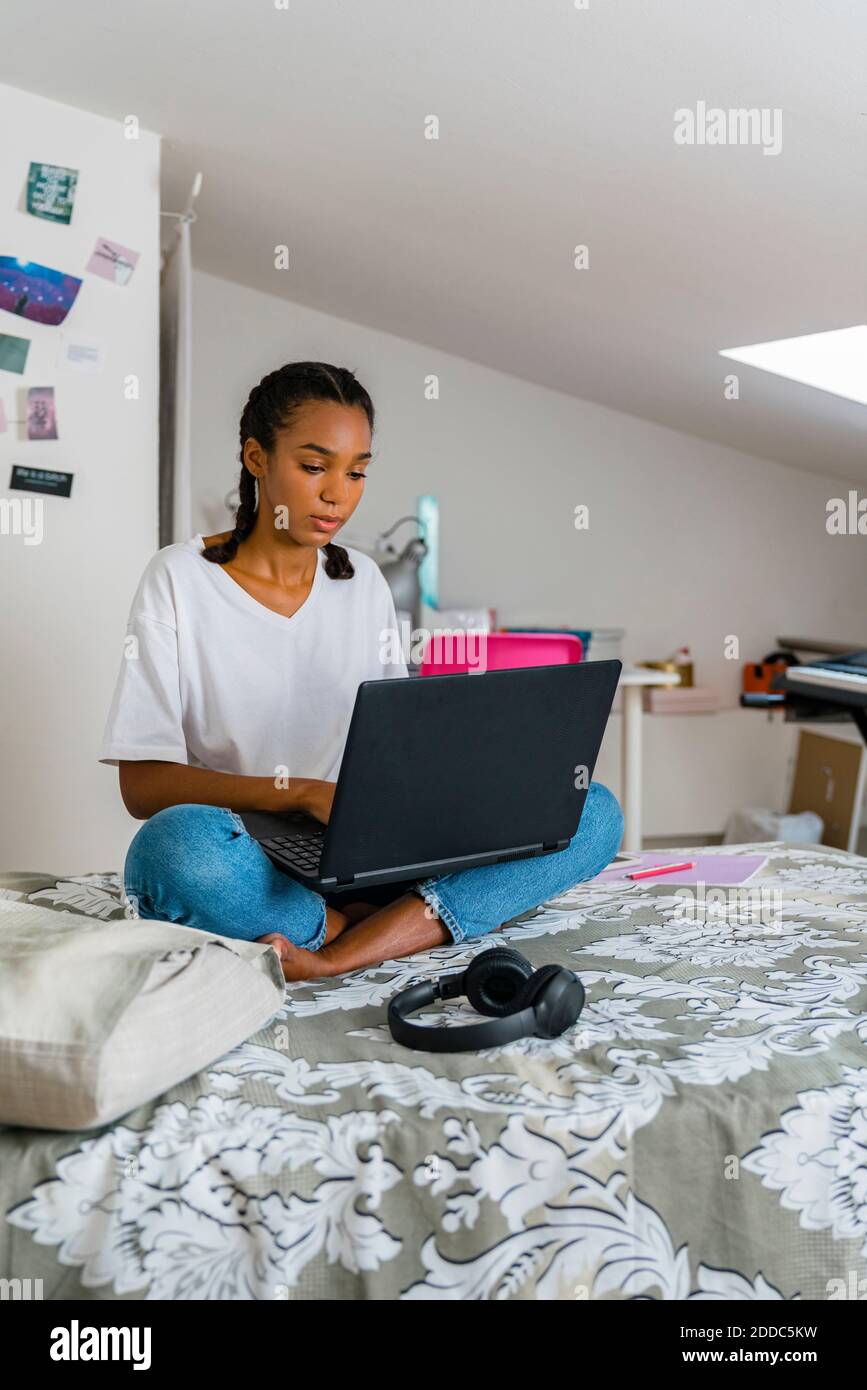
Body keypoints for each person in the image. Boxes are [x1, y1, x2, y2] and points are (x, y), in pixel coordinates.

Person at [101, 361, 623, 981]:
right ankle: (386, 927)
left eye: (356, 472)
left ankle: (342, 950)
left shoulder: (363, 581)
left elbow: (395, 745)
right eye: (314, 466)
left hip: (374, 843)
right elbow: (143, 786)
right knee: (173, 852)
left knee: (593, 811)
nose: (337, 494)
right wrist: (296, 791)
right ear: (256, 458)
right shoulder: (180, 578)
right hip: (254, 849)